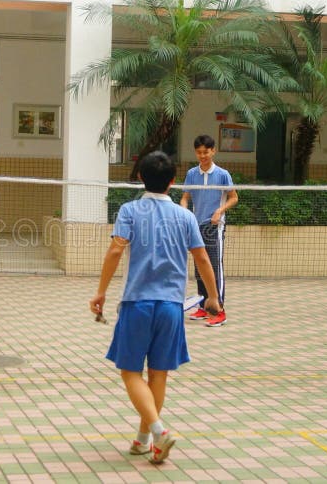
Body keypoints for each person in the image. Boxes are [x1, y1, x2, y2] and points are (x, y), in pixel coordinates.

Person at [89, 151, 220, 465]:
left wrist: (101, 292)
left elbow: (115, 251)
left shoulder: (130, 210)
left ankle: (159, 431)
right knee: (158, 375)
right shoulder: (185, 216)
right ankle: (144, 440)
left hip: (137, 304)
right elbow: (202, 258)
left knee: (130, 372)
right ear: (173, 181)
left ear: (139, 177)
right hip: (172, 307)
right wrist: (213, 297)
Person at [179, 134, 238, 327]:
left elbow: (234, 197)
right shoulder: (191, 174)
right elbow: (185, 197)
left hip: (214, 227)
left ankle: (219, 310)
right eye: (199, 152)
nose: (202, 155)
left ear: (213, 151)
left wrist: (220, 211)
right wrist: (185, 212)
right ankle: (205, 307)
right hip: (196, 226)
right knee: (200, 267)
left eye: (206, 152)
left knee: (214, 267)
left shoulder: (222, 174)